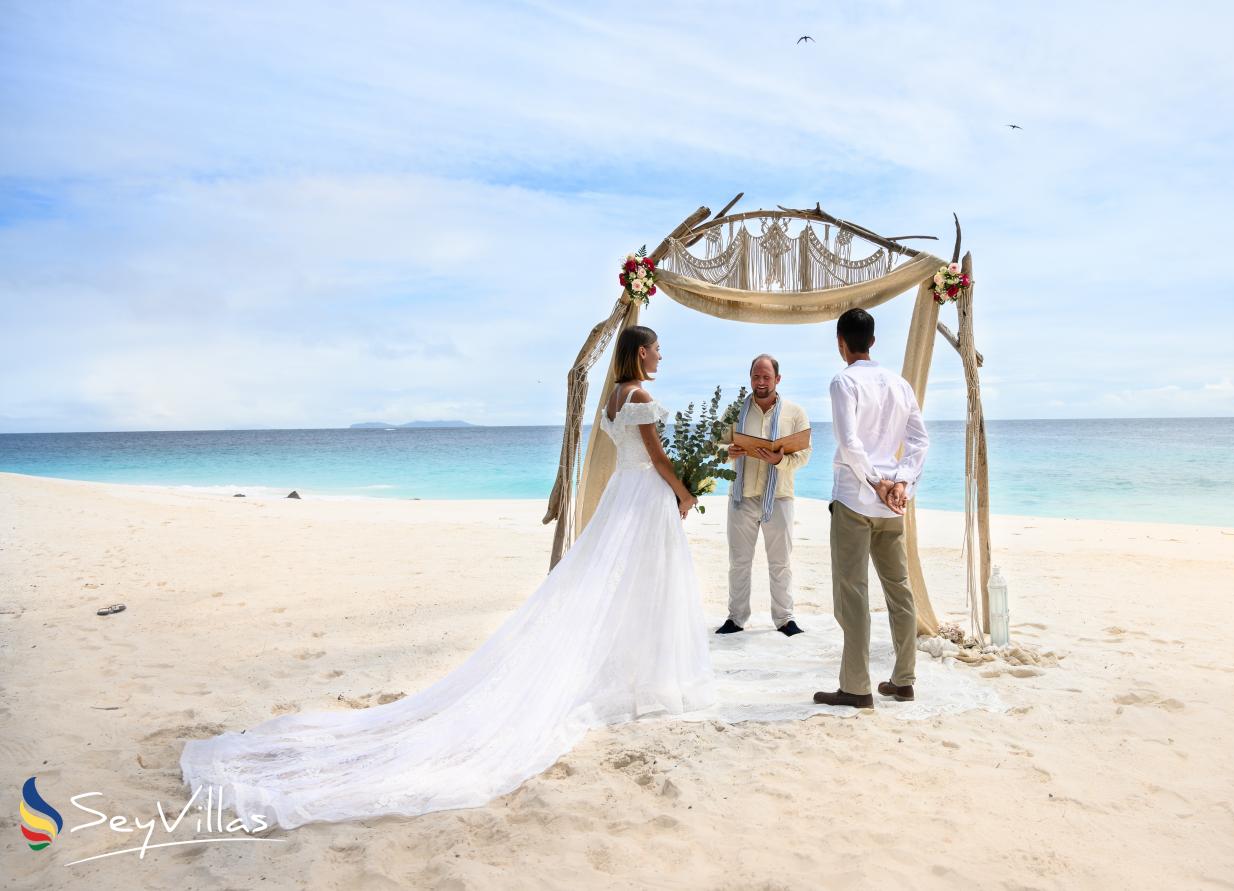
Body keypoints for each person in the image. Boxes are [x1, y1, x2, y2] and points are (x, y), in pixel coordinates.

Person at [180, 326, 715, 829]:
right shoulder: (640, 398)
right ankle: (648, 677)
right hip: (643, 495)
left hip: (623, 495)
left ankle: (637, 672)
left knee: (621, 583)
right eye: (657, 348)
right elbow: (657, 456)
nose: (661, 355)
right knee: (646, 583)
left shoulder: (613, 397)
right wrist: (684, 491)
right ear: (640, 352)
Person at [814, 308, 929, 710]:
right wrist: (901, 482)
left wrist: (877, 482)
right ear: (873, 342)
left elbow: (849, 443)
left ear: (841, 344)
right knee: (898, 589)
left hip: (855, 498)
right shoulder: (900, 384)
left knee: (853, 592)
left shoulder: (843, 381)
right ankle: (904, 680)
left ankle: (857, 686)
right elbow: (919, 441)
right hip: (892, 505)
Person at [717, 354, 812, 636]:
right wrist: (727, 452)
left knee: (781, 562)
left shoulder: (795, 413)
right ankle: (736, 618)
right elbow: (715, 445)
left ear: (777, 379)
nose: (760, 382)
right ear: (750, 378)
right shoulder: (734, 412)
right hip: (741, 498)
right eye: (756, 377)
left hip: (779, 497)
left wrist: (779, 461)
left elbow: (805, 454)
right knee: (739, 562)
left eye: (766, 377)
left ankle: (785, 619)